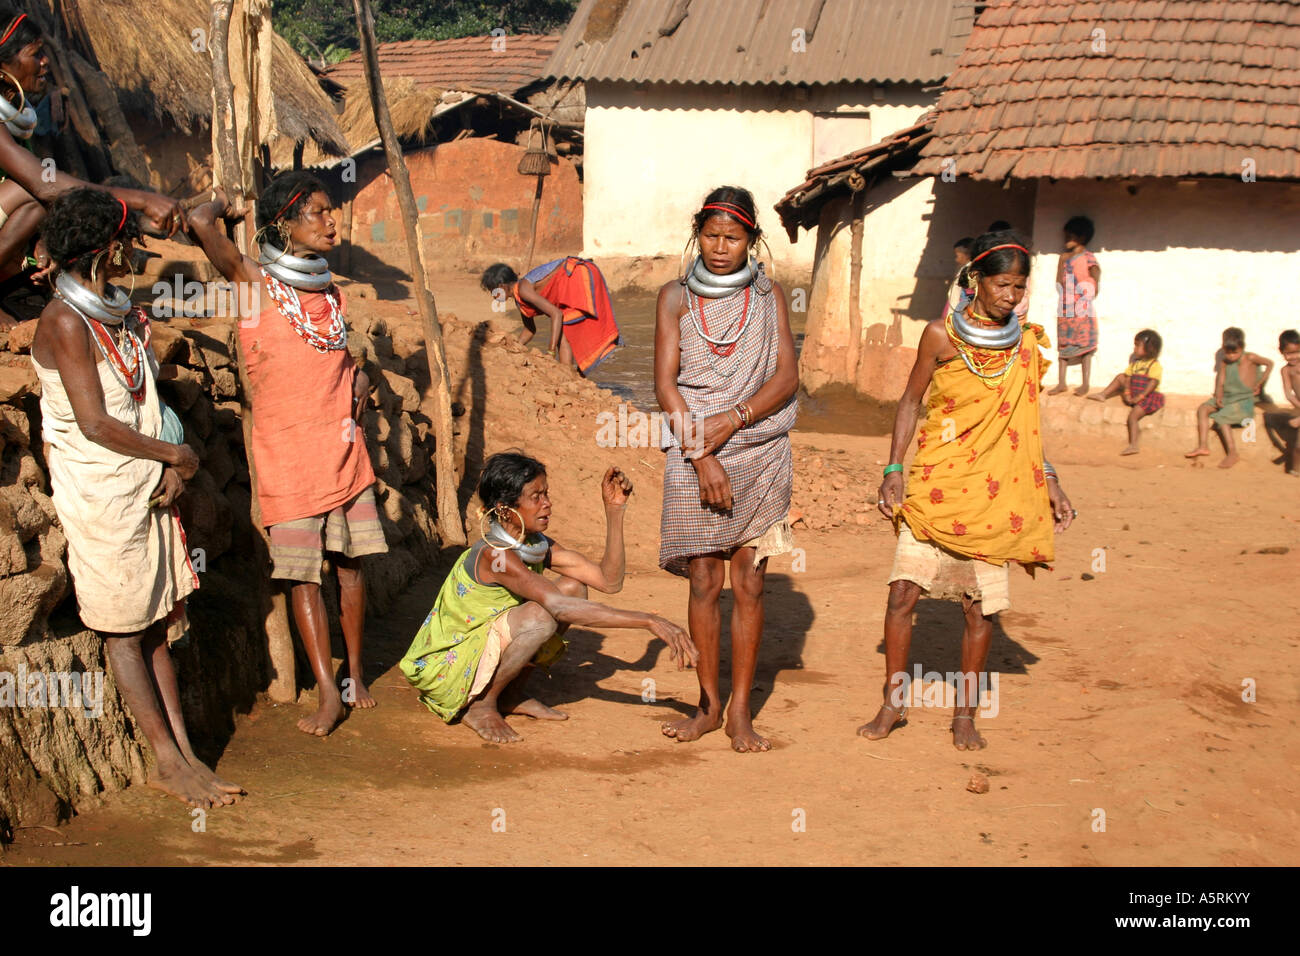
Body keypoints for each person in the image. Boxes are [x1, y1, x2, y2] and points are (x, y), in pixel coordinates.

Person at [28, 189, 242, 808]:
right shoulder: (65, 320)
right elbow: (95, 424)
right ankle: (165, 761)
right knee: (124, 631)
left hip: (138, 483)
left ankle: (183, 753)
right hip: (102, 492)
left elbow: (137, 399)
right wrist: (176, 455)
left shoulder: (108, 312)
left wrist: (165, 461)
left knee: (152, 623)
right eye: (126, 244)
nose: (134, 255)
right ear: (103, 252)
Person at [187, 171, 387, 737]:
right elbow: (201, 222)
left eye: (331, 211)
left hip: (344, 454)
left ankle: (355, 674)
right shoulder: (254, 285)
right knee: (304, 579)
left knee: (351, 571)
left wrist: (364, 381)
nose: (332, 222)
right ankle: (327, 691)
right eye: (318, 213)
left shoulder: (330, 291)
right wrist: (226, 203)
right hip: (290, 457)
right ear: (283, 224)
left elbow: (341, 359)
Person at [860, 231, 1076, 751]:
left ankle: (964, 715)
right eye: (1002, 284)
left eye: (1019, 287)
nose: (1012, 295)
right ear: (975, 281)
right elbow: (911, 401)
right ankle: (893, 703)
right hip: (938, 480)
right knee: (902, 594)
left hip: (995, 490)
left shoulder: (1025, 344)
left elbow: (1028, 424)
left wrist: (1050, 478)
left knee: (979, 609)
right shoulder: (940, 336)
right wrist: (894, 467)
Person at [399, 452, 697, 743]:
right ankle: (481, 705)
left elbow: (609, 581)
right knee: (542, 616)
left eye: (546, 494)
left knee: (573, 587)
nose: (547, 504)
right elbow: (556, 607)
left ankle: (511, 696)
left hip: (484, 646)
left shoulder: (534, 544)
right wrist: (648, 620)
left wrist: (614, 511)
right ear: (504, 509)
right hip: (448, 666)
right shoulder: (495, 554)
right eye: (536, 497)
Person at [654, 186, 799, 753]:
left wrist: (735, 420)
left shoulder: (769, 298)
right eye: (711, 236)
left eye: (732, 237)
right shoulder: (674, 298)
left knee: (749, 583)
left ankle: (740, 711)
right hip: (695, 451)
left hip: (759, 448)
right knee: (703, 579)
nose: (720, 248)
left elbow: (786, 376)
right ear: (698, 235)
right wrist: (702, 453)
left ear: (751, 240)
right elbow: (666, 385)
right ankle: (707, 706)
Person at [0, 5, 187, 327]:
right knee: (30, 192)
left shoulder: (17, 116)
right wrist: (141, 200)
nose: (45, 63)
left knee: (47, 203)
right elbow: (42, 184)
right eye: (36, 54)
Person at [480, 256, 621, 375]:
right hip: (571, 279)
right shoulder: (520, 299)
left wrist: (550, 352)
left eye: (493, 291)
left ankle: (569, 373)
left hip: (577, 274)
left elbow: (556, 314)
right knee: (563, 330)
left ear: (502, 286)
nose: (493, 296)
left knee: (565, 326)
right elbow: (529, 330)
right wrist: (513, 347)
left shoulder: (523, 289)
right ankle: (568, 374)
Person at [1185, 327, 1273, 468]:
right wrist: (1218, 397)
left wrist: (1260, 384)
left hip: (1243, 399)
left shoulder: (1250, 357)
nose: (1231, 356)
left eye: (1235, 352)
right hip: (1227, 397)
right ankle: (1203, 446)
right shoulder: (1225, 362)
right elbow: (1220, 381)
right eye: (1228, 352)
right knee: (1203, 409)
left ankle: (1232, 453)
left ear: (1242, 347)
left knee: (1222, 419)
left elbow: (1270, 363)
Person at [1087, 329, 1165, 454]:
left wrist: (1141, 396)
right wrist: (1127, 392)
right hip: (1133, 393)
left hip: (1147, 397)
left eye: (1138, 345)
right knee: (1120, 377)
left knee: (1133, 416)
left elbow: (1153, 383)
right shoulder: (1135, 364)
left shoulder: (1154, 365)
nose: (1134, 349)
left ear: (1150, 348)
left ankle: (1134, 445)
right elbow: (1128, 378)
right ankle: (1103, 394)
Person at [1048, 215, 1101, 396]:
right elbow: (1058, 279)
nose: (1066, 240)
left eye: (1070, 236)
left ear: (1082, 238)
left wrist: (1086, 295)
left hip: (1082, 306)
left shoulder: (1088, 257)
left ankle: (1085, 383)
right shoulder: (1063, 258)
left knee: (1085, 344)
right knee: (1063, 343)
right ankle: (1061, 382)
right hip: (1065, 306)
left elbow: (1095, 277)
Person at [1263, 329, 1300, 476]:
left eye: (1297, 352)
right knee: (1298, 447)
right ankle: (1296, 471)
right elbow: (1288, 394)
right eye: (1288, 353)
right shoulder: (1285, 370)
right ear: (1282, 352)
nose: (1293, 357)